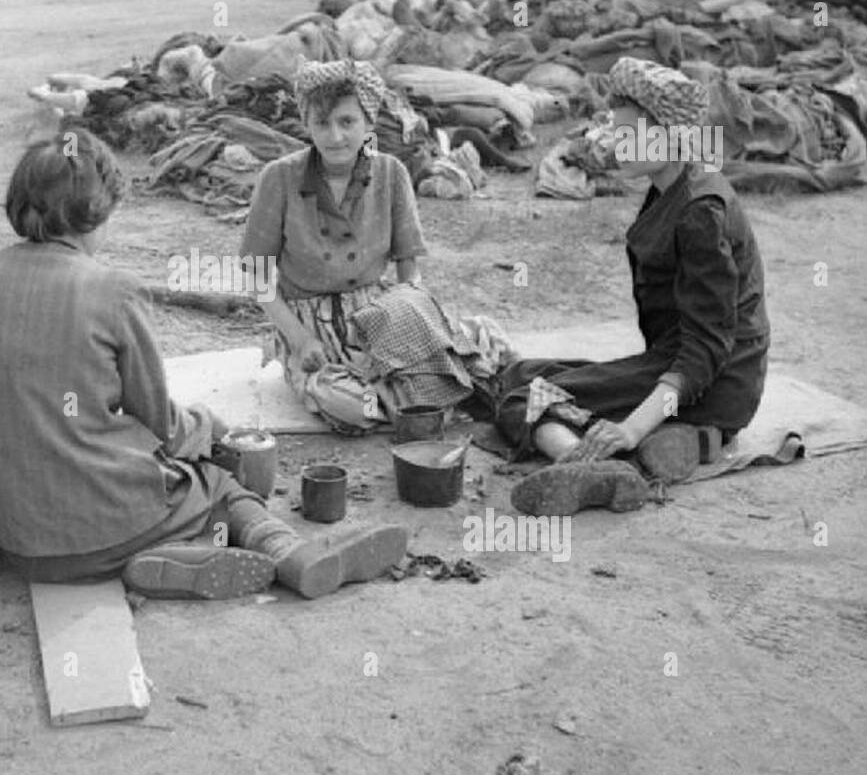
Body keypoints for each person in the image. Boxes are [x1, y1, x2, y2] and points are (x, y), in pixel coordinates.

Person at [0, 129, 407, 600]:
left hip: (11, 536)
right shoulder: (115, 290)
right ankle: (292, 555)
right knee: (214, 485)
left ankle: (157, 564)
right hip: (96, 532)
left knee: (122, 464)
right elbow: (159, 420)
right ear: (99, 212)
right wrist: (210, 429)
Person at [495, 58, 770, 513]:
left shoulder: (701, 211)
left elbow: (706, 348)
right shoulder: (672, 182)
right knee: (523, 373)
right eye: (617, 132)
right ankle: (691, 438)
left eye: (630, 135)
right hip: (682, 362)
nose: (617, 145)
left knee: (525, 396)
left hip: (716, 379)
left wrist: (631, 429)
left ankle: (588, 468)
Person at [239, 59, 511, 433]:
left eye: (347, 122)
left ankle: (413, 396)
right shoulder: (279, 178)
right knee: (344, 403)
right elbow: (256, 279)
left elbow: (409, 269)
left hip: (379, 314)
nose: (335, 136)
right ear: (307, 124)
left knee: (480, 344)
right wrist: (300, 341)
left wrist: (410, 320)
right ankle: (418, 403)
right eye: (322, 123)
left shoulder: (391, 173)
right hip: (309, 326)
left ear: (368, 122)